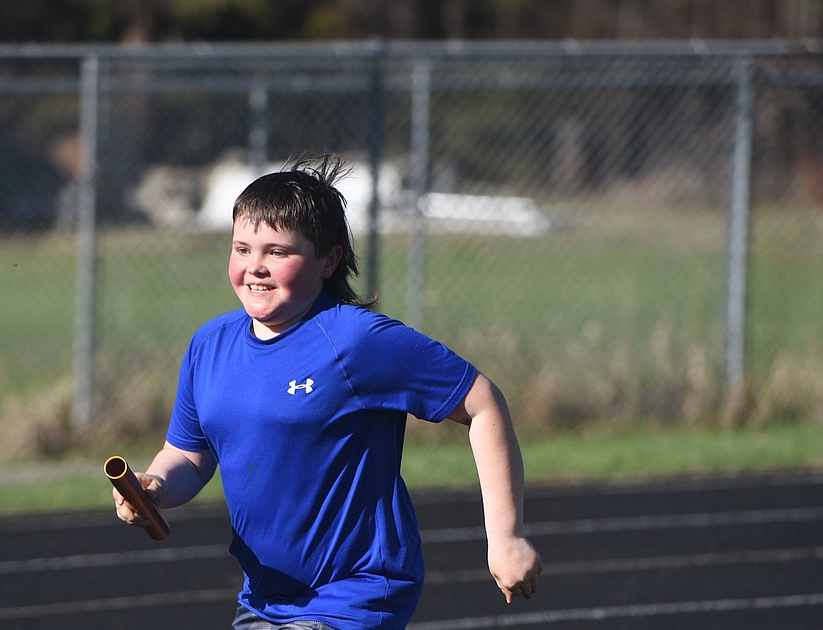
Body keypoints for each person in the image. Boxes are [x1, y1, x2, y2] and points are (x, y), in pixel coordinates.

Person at [114, 154, 541, 629]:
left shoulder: (358, 342)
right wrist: (152, 487)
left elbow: (482, 403)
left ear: (328, 261)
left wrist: (506, 538)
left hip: (356, 591)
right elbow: (189, 457)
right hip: (265, 597)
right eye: (242, 249)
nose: (255, 267)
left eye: (277, 252)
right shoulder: (209, 346)